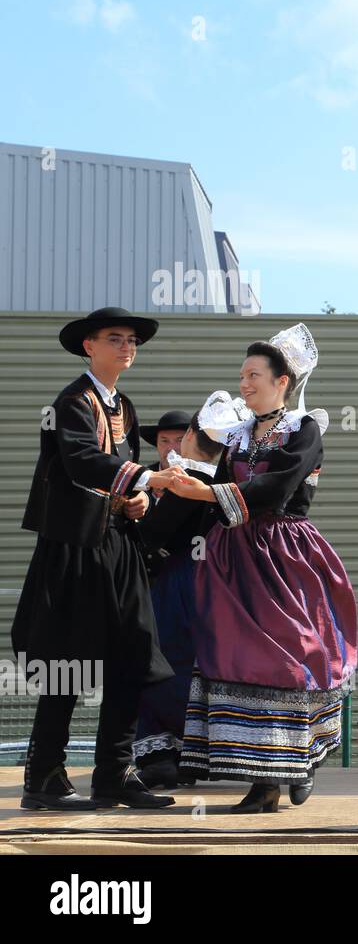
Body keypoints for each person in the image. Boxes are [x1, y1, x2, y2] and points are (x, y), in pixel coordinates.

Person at [170, 324, 358, 813]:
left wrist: (207, 491)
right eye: (242, 375)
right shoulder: (235, 434)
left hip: (284, 555)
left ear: (283, 380)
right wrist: (182, 480)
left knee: (291, 654)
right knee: (236, 655)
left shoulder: (305, 430)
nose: (244, 383)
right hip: (234, 558)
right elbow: (209, 474)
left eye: (254, 374)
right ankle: (266, 777)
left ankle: (294, 761)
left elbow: (276, 489)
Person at [13, 307, 186, 811]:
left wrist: (139, 501)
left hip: (117, 543)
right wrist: (146, 479)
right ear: (89, 346)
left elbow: (119, 474)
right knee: (69, 661)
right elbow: (82, 461)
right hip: (74, 547)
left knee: (135, 654)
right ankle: (43, 774)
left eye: (132, 340)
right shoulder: (71, 401)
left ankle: (115, 774)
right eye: (116, 339)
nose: (127, 346)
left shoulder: (124, 405)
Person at [133, 413, 225, 789]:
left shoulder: (193, 478)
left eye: (177, 439)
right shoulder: (224, 480)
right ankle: (182, 754)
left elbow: (152, 535)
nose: (171, 448)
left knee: (166, 664)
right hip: (196, 583)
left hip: (182, 581)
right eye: (163, 441)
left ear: (190, 437)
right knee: (185, 664)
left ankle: (169, 756)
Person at [140, 410, 189, 502]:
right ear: (157, 444)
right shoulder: (143, 477)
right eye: (165, 441)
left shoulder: (202, 478)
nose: (171, 448)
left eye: (180, 440)